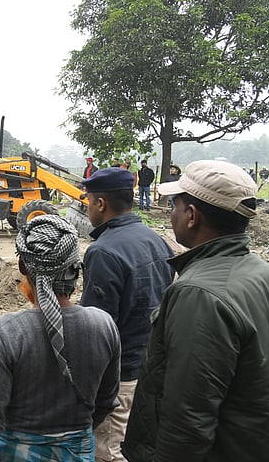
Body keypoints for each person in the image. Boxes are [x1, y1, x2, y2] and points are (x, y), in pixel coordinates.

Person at [123, 160, 269, 461]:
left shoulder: (198, 294)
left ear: (191, 216)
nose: (171, 212)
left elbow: (188, 419)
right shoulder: (261, 272)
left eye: (175, 205)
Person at [0, 215, 121, 462]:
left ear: (23, 267)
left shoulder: (6, 333)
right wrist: (73, 435)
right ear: (75, 267)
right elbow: (106, 402)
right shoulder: (103, 325)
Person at [79, 167, 175, 462]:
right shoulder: (155, 240)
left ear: (100, 204)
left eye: (88, 201)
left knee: (109, 450)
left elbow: (96, 331)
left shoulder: (103, 252)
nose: (87, 207)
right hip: (151, 369)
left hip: (119, 379)